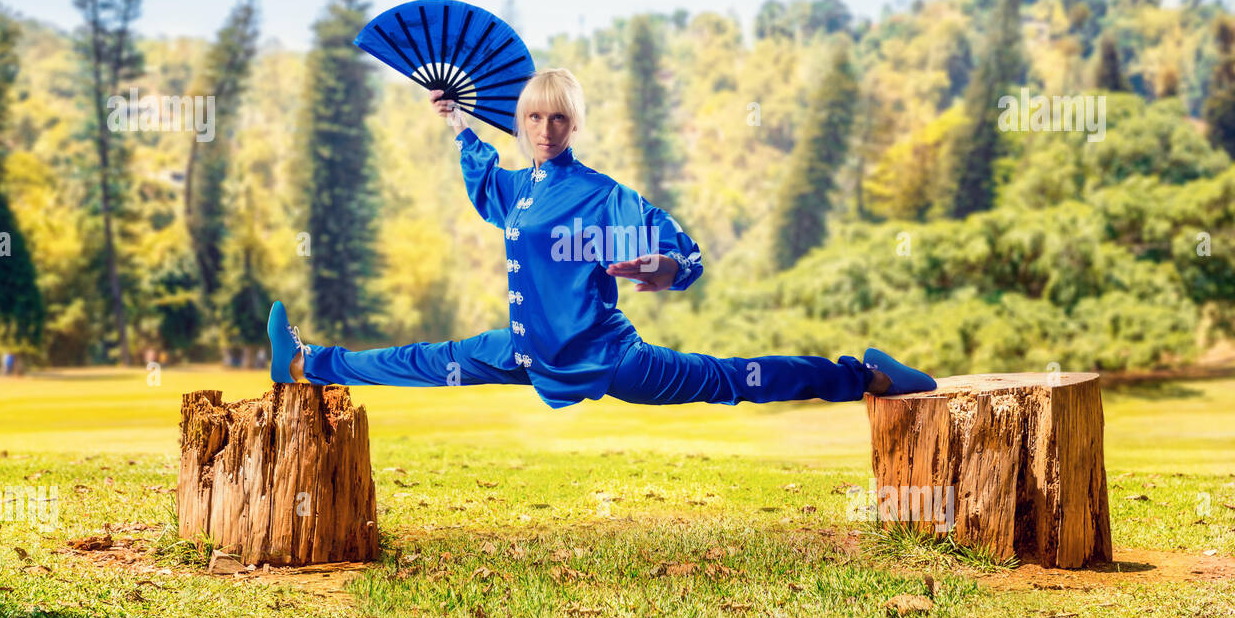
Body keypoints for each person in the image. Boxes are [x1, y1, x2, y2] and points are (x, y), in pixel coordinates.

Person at [267, 68, 935, 407]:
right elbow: (483, 181)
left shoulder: (604, 195)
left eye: (558, 118)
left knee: (732, 380)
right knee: (423, 358)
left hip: (610, 359)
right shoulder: (518, 190)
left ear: (575, 124)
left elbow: (685, 250)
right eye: (533, 116)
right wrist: (456, 123)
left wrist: (668, 268)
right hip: (526, 352)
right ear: (521, 120)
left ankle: (865, 376)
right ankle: (306, 362)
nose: (545, 129)